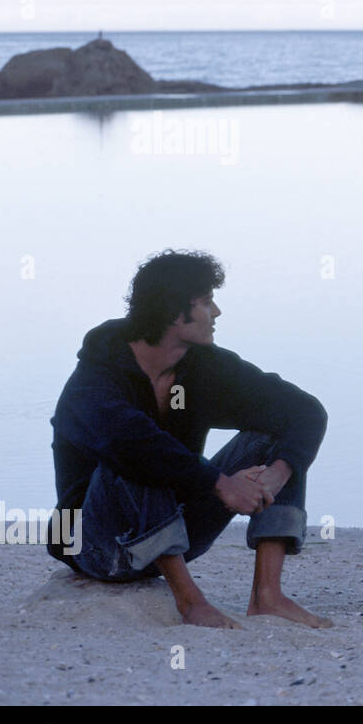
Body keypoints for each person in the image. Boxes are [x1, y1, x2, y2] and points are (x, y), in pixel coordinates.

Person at [47, 249, 332, 628]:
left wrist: (279, 471)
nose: (216, 313)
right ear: (173, 310)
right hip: (95, 545)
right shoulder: (96, 377)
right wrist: (220, 483)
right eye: (206, 302)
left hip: (174, 534)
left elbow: (305, 411)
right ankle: (190, 601)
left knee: (276, 436)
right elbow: (132, 444)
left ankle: (268, 595)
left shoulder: (202, 365)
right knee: (135, 448)